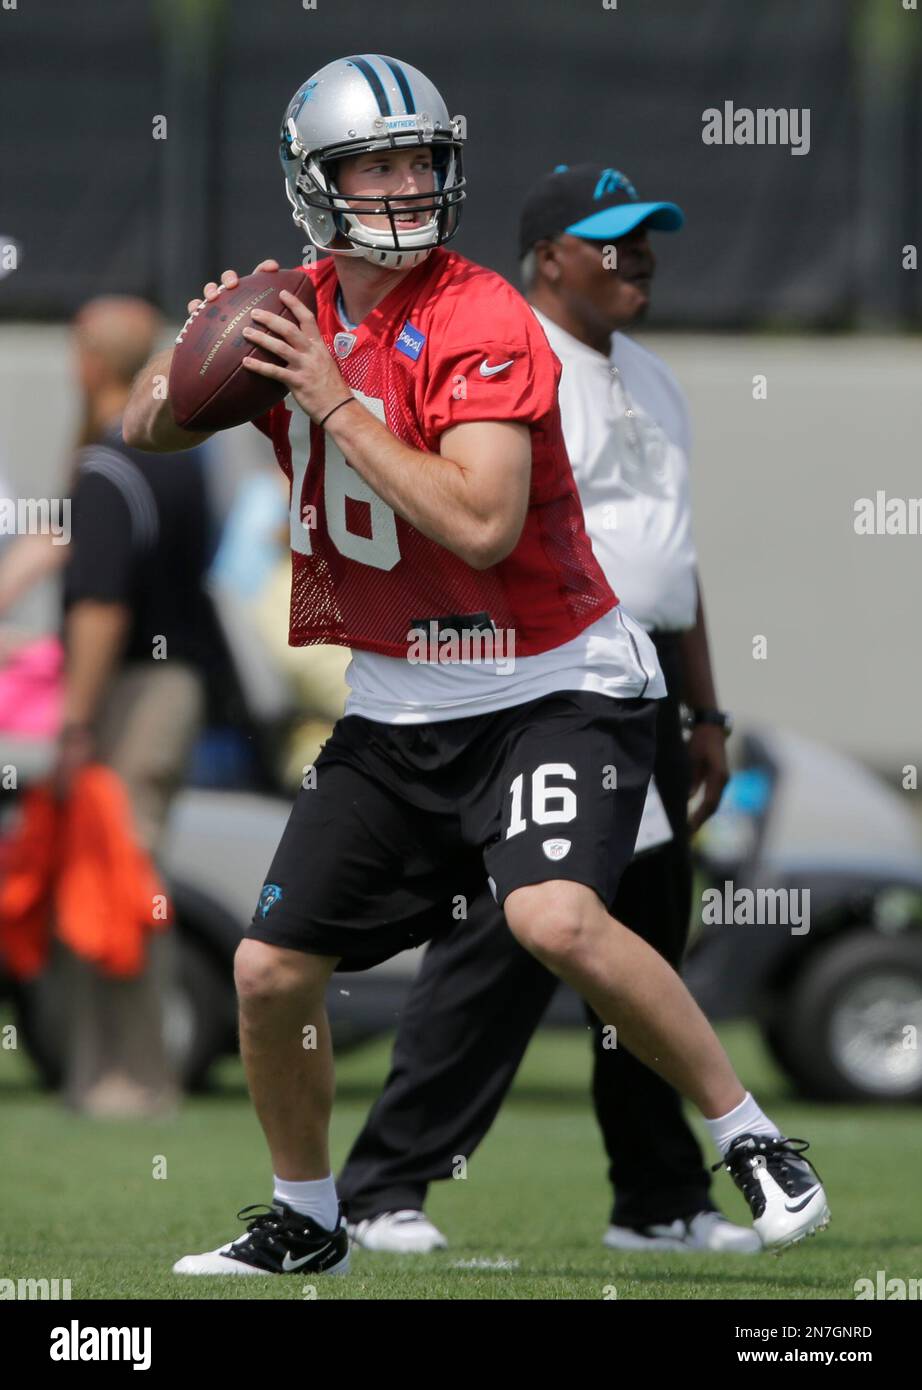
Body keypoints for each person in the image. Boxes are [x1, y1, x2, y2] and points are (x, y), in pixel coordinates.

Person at [123, 54, 829, 1277]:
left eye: (417, 161)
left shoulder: (483, 311)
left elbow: (481, 523)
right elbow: (150, 425)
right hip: (396, 700)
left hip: (554, 679)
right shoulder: (295, 308)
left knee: (553, 914)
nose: (402, 186)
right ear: (315, 184)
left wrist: (338, 404)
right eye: (372, 165)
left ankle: (755, 1139)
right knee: (267, 967)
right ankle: (311, 1216)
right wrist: (199, 342)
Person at [339, 163, 759, 1256]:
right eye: (610, 241)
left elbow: (676, 553)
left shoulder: (652, 378)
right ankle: (384, 1189)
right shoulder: (509, 356)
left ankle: (658, 1201)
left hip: (645, 682)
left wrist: (705, 708)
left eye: (645, 238)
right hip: (549, 682)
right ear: (548, 260)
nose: (639, 258)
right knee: (503, 942)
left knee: (645, 943)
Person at [55, 295, 218, 1116]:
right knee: (117, 874)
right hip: (177, 687)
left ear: (89, 363)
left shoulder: (108, 460)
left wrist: (76, 718)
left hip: (135, 693)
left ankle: (137, 1080)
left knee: (121, 877)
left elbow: (99, 602)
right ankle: (101, 1074)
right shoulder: (175, 453)